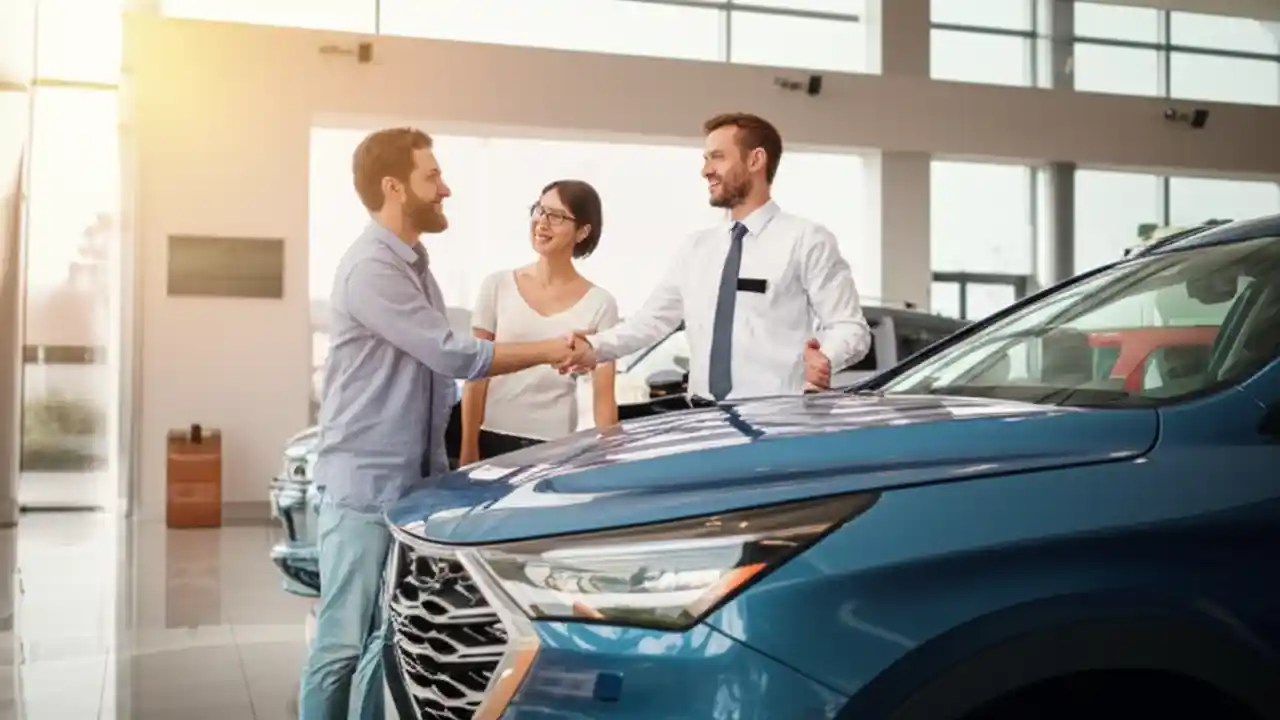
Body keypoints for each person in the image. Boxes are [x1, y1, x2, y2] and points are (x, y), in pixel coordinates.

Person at [298, 127, 578, 720]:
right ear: (394, 187)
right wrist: (549, 348)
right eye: (433, 177)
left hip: (408, 486)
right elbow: (452, 355)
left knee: (384, 640)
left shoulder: (414, 264)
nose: (444, 187)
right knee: (341, 644)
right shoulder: (370, 268)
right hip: (364, 487)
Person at [560, 112, 871, 400]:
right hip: (705, 424)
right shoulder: (696, 249)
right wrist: (594, 346)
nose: (705, 170)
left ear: (756, 160)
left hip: (776, 423)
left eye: (717, 157)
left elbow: (850, 328)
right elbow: (650, 322)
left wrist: (826, 356)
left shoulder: (806, 240)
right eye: (706, 159)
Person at [459, 180, 619, 464]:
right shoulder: (496, 286)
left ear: (582, 231)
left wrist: (608, 461)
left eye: (556, 216)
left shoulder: (601, 304)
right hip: (491, 440)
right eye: (539, 210)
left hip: (556, 448)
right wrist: (468, 449)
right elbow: (476, 375)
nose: (542, 223)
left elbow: (604, 398)